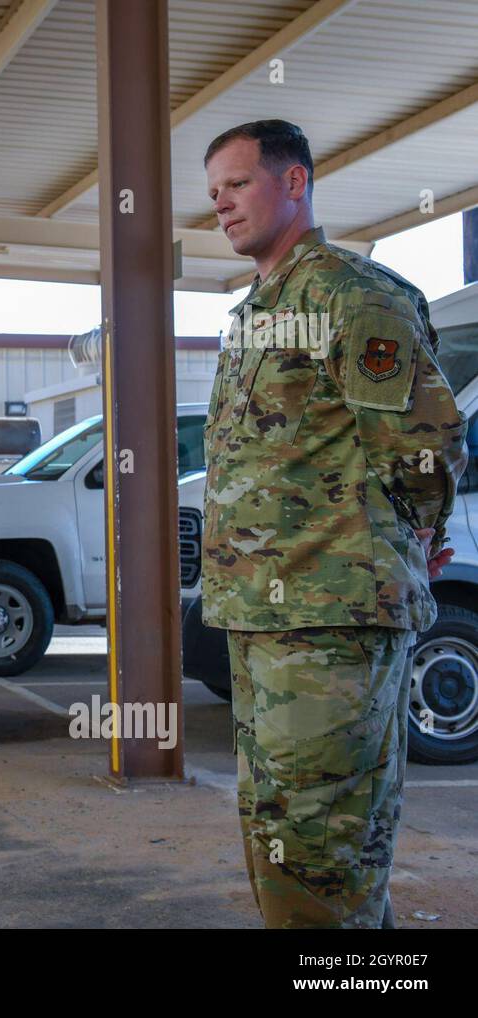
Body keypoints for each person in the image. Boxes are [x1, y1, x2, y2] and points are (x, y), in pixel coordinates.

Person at [200, 119, 468, 928]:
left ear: (293, 183)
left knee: (323, 854)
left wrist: (415, 536)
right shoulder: (256, 311)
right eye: (213, 192)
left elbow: (424, 441)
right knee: (288, 842)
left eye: (238, 184)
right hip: (262, 619)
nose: (221, 205)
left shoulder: (353, 295)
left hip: (332, 617)